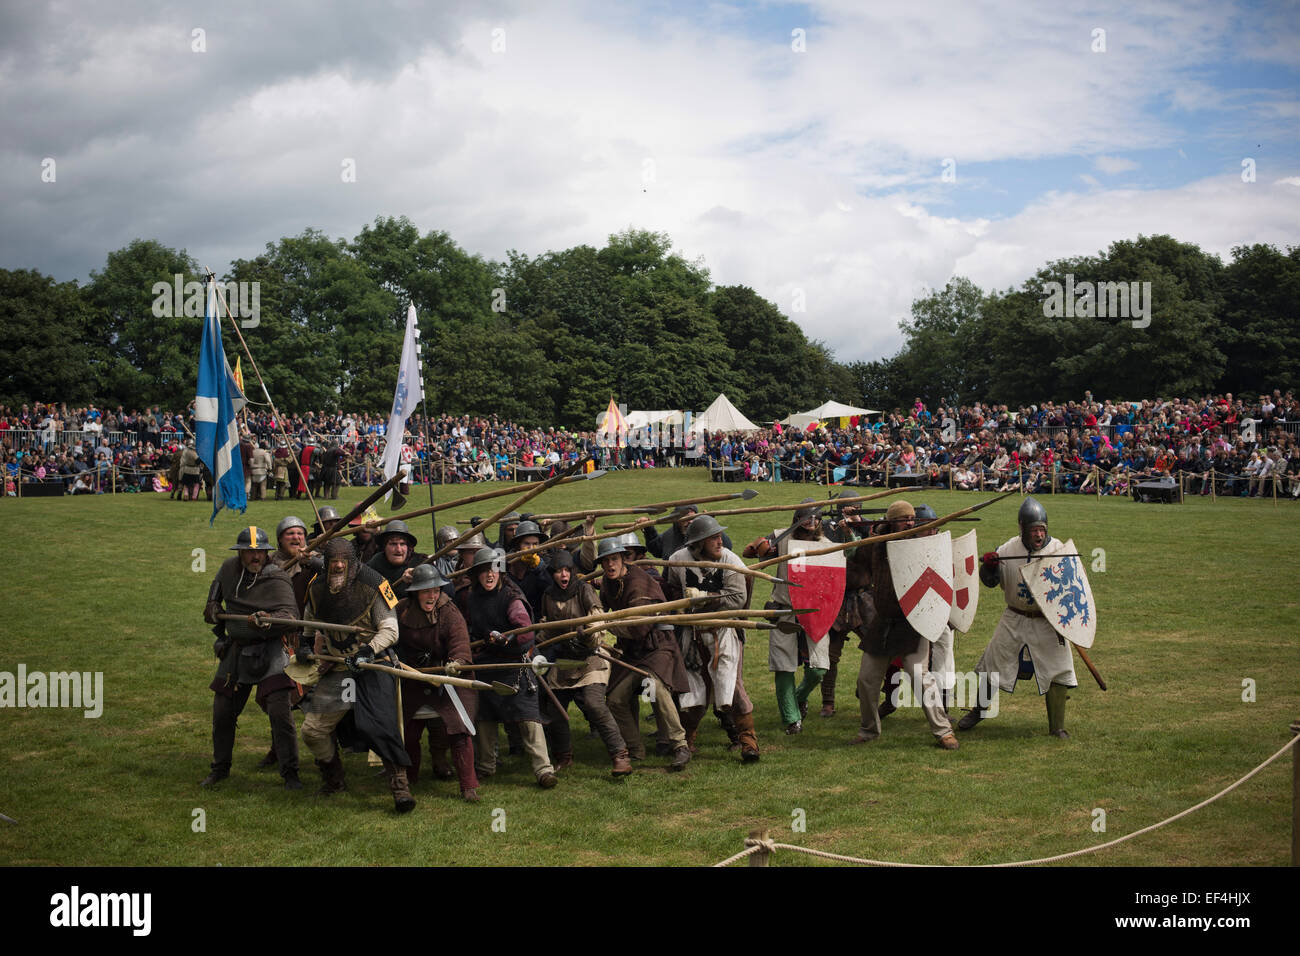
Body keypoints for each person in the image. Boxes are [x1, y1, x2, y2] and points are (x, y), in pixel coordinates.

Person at [297, 538, 413, 811]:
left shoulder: (374, 582)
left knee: (378, 724)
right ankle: (334, 779)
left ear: (353, 562)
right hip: (338, 667)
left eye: (342, 561)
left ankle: (400, 788)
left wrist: (369, 650)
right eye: (333, 561)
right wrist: (305, 642)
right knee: (313, 731)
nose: (337, 566)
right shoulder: (318, 586)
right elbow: (309, 619)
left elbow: (391, 630)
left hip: (373, 665)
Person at [958, 496, 1079, 738]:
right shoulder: (1008, 549)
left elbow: (1073, 591)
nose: (1038, 535)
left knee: (1058, 669)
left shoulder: (1059, 552)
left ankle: (1057, 726)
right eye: (1033, 530)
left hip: (1047, 622)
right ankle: (978, 711)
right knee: (992, 664)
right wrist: (990, 567)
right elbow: (991, 583)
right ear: (1022, 528)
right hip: (1014, 617)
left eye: (1041, 530)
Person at [850, 500, 959, 750]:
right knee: (866, 680)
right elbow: (857, 556)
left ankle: (943, 731)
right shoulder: (877, 546)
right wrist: (868, 534)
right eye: (903, 519)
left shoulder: (919, 544)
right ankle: (868, 730)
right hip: (884, 621)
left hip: (913, 620)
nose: (910, 523)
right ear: (891, 521)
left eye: (912, 519)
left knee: (920, 677)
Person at [200, 526, 302, 789]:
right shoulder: (228, 569)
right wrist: (213, 607)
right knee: (222, 712)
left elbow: (291, 619)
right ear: (240, 553)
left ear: (267, 553)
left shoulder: (277, 578)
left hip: (270, 650)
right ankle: (220, 768)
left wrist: (269, 621)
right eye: (249, 552)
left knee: (280, 714)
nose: (255, 557)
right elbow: (215, 595)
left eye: (260, 552)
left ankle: (290, 773)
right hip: (235, 650)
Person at [457, 547, 558, 788]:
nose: (489, 575)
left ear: (500, 572)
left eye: (493, 569)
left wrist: (508, 639)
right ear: (477, 575)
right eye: (483, 571)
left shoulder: (511, 597)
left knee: (528, 718)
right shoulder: (473, 597)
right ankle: (486, 766)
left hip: (516, 665)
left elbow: (525, 631)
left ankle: (544, 769)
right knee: (485, 717)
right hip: (489, 663)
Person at [666, 515, 759, 761]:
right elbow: (672, 587)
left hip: (723, 631)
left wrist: (704, 596)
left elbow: (737, 599)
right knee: (693, 691)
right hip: (692, 634)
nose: (720, 541)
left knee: (734, 689)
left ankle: (748, 740)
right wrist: (681, 604)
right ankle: (686, 741)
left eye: (719, 537)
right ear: (698, 543)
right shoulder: (678, 560)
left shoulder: (731, 561)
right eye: (713, 538)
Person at [598, 537, 692, 771]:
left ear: (623, 559)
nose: (610, 565)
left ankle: (680, 745)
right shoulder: (608, 582)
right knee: (616, 698)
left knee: (655, 688)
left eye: (614, 559)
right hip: (632, 651)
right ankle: (635, 749)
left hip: (657, 647)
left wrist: (606, 624)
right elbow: (599, 607)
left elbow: (639, 629)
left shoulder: (638, 582)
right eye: (606, 561)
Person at [538, 549, 633, 776]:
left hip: (590, 659)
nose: (563, 575)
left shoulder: (584, 589)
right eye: (559, 571)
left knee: (594, 704)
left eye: (567, 570)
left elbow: (598, 620)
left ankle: (620, 756)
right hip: (564, 662)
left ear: (572, 571)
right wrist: (536, 640)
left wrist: (588, 633)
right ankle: (563, 756)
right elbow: (545, 625)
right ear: (552, 574)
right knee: (555, 708)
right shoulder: (548, 596)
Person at [743, 499, 831, 734]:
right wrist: (761, 547)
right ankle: (792, 719)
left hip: (814, 611)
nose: (812, 522)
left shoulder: (825, 543)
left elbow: (845, 560)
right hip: (784, 608)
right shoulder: (781, 536)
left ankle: (800, 696)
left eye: (815, 518)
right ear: (797, 518)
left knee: (818, 669)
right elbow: (749, 551)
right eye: (807, 517)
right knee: (784, 666)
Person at [395, 564, 481, 802]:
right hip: (412, 677)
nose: (431, 596)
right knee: (408, 732)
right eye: (425, 591)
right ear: (415, 593)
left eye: (435, 590)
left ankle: (468, 786)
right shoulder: (401, 611)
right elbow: (390, 638)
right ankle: (408, 778)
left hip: (448, 680)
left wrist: (456, 662)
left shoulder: (450, 612)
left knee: (459, 731)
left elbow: (460, 643)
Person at [819, 491, 873, 718]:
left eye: (856, 507)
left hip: (863, 597)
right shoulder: (827, 529)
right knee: (830, 655)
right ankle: (828, 702)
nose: (852, 510)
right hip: (837, 597)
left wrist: (856, 524)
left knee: (876, 647)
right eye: (848, 507)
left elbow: (865, 550)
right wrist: (840, 527)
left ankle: (866, 692)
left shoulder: (869, 528)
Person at [366, 520, 427, 600]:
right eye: (393, 544)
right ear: (385, 547)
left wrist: (420, 577)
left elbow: (442, 589)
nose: (398, 549)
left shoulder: (420, 562)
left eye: (402, 544)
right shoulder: (377, 561)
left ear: (408, 547)